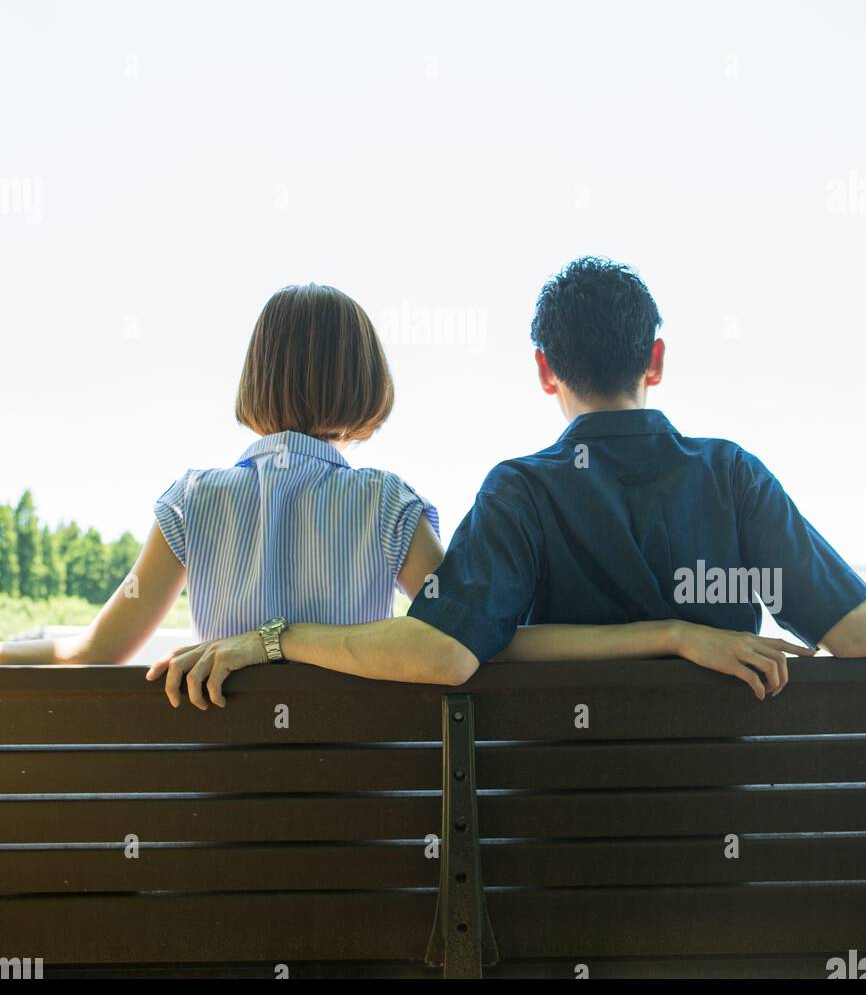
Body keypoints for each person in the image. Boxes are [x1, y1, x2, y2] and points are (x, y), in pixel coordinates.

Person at [145, 258, 866, 708]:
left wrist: (274, 639)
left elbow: (452, 650)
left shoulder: (520, 493)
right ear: (656, 359)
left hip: (551, 863)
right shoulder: (734, 476)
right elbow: (855, 638)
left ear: (544, 369)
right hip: (737, 867)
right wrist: (680, 633)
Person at [0, 284, 445, 675]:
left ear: (257, 377)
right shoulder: (387, 504)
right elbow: (456, 635)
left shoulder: (192, 501)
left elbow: (93, 651)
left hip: (228, 768)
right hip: (358, 769)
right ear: (367, 382)